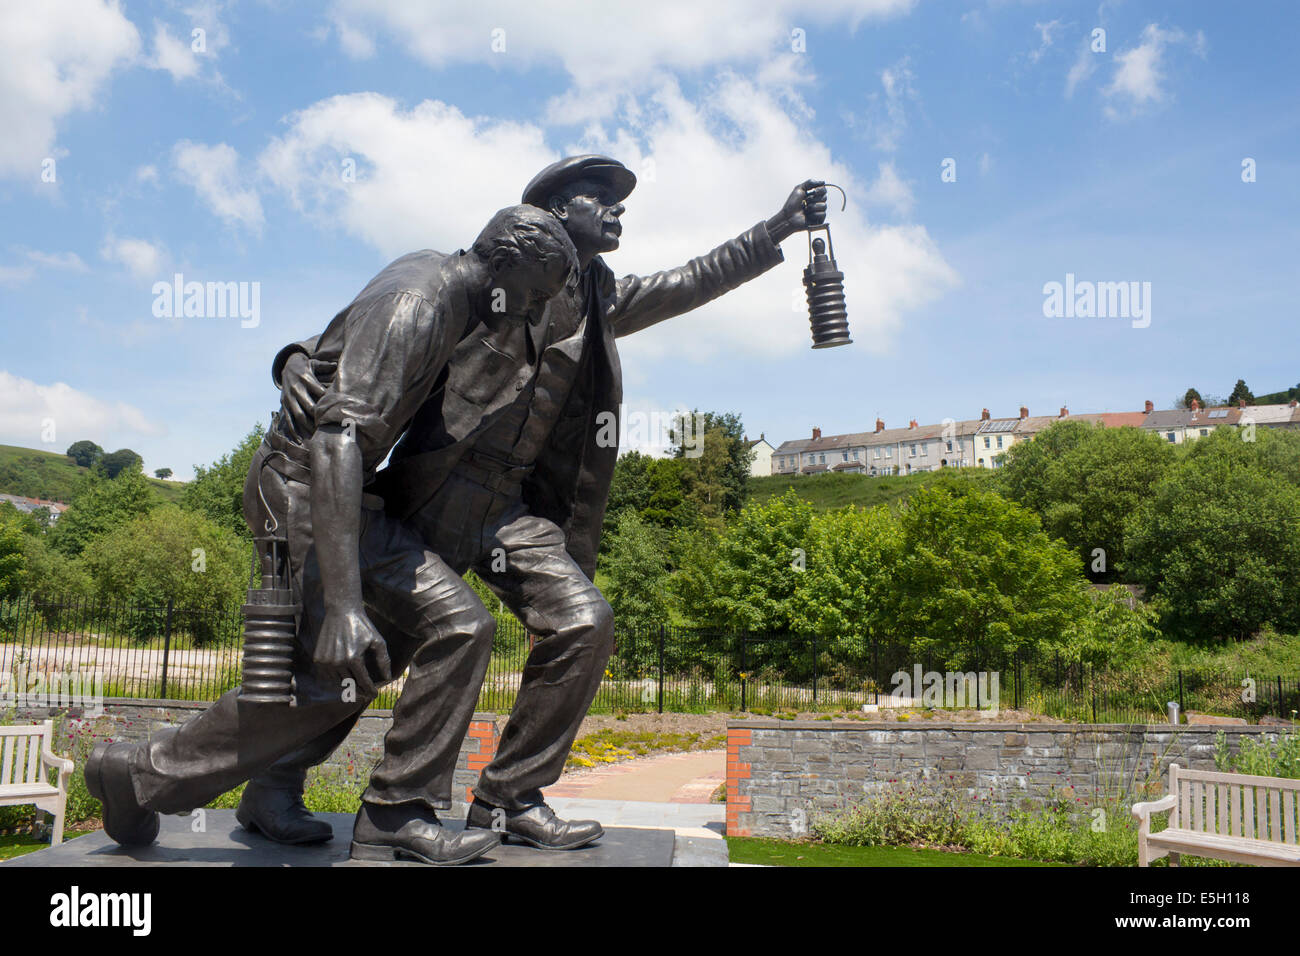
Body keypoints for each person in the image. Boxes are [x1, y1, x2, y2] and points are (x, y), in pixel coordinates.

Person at [265, 156, 828, 851]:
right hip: (433, 493)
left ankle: (509, 799)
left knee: (584, 621)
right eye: (602, 199)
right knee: (368, 662)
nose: (619, 211)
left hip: (511, 506)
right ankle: (276, 783)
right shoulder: (494, 276)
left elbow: (689, 282)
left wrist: (775, 229)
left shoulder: (599, 295)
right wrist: (295, 358)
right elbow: (378, 330)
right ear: (555, 211)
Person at [84, 204, 579, 866]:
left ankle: (215, 788)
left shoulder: (445, 285)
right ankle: (384, 813)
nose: (530, 315)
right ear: (505, 266)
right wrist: (345, 606)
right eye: (533, 297)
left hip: (326, 491)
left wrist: (293, 357)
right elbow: (338, 440)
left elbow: (338, 353)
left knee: (345, 673)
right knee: (435, 635)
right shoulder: (422, 305)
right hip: (302, 492)